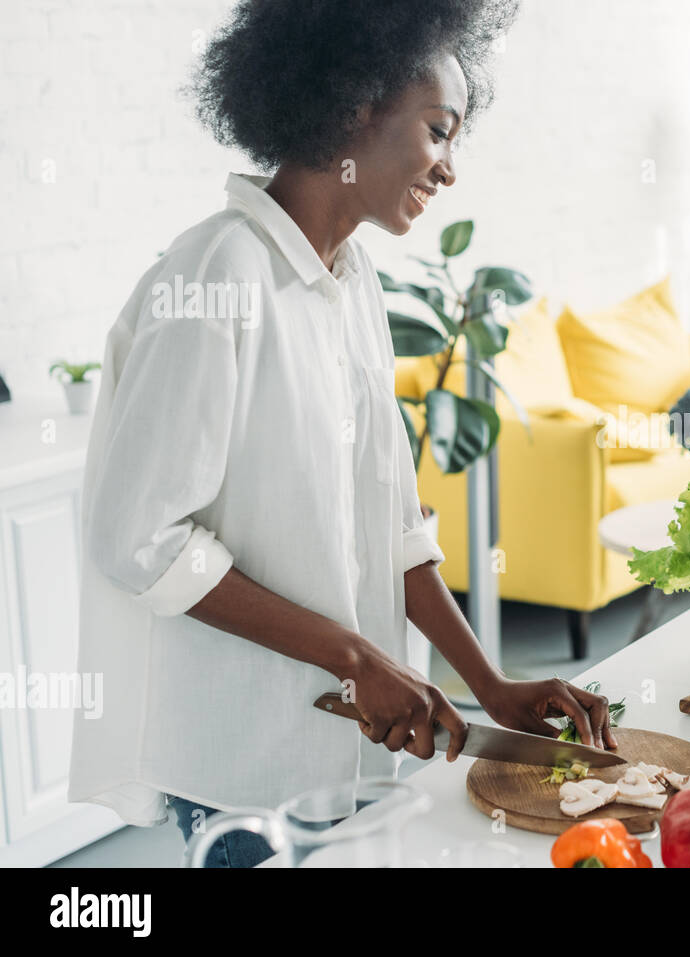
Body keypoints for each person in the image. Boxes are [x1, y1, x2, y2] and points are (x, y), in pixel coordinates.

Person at [68, 0, 618, 868]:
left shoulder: (350, 276)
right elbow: (138, 538)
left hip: (352, 757)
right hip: (242, 764)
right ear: (356, 102)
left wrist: (490, 685)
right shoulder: (217, 272)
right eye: (440, 131)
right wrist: (354, 655)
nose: (448, 168)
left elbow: (392, 524)